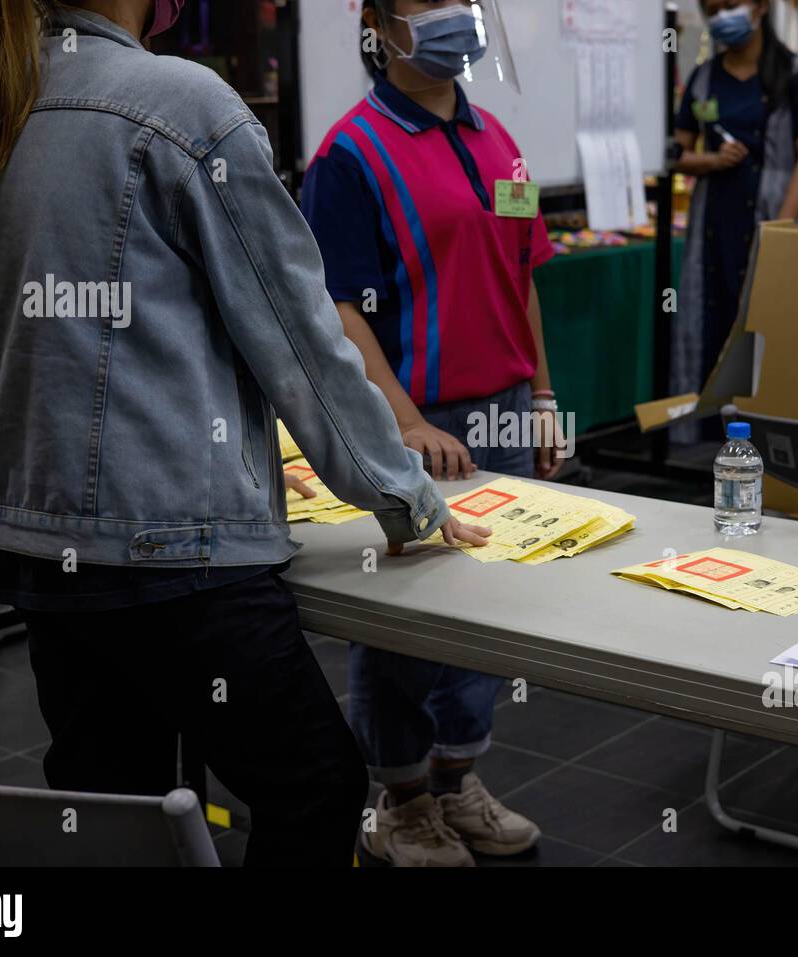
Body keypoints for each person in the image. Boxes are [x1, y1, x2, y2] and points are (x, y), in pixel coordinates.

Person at [0, 0, 489, 868]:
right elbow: (301, 339)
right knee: (315, 784)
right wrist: (402, 495)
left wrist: (230, 448)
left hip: (38, 546)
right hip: (173, 552)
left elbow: (5, 334)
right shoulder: (185, 104)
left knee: (119, 808)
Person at [299, 0, 557, 866]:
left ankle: (456, 783)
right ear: (380, 20)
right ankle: (401, 799)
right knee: (403, 628)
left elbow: (525, 273)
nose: (455, 14)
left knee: (487, 620)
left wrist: (544, 393)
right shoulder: (350, 153)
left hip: (506, 417)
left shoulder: (499, 142)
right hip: (418, 426)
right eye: (426, 0)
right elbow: (336, 308)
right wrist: (403, 421)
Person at [671, 0, 798, 433]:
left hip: (775, 216)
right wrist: (710, 161)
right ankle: (707, 434)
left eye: (731, 5)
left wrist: (782, 228)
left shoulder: (797, 75)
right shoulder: (704, 78)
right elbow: (676, 153)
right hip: (714, 221)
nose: (722, 15)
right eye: (713, 8)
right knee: (712, 318)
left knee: (768, 325)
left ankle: (775, 434)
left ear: (760, 6)